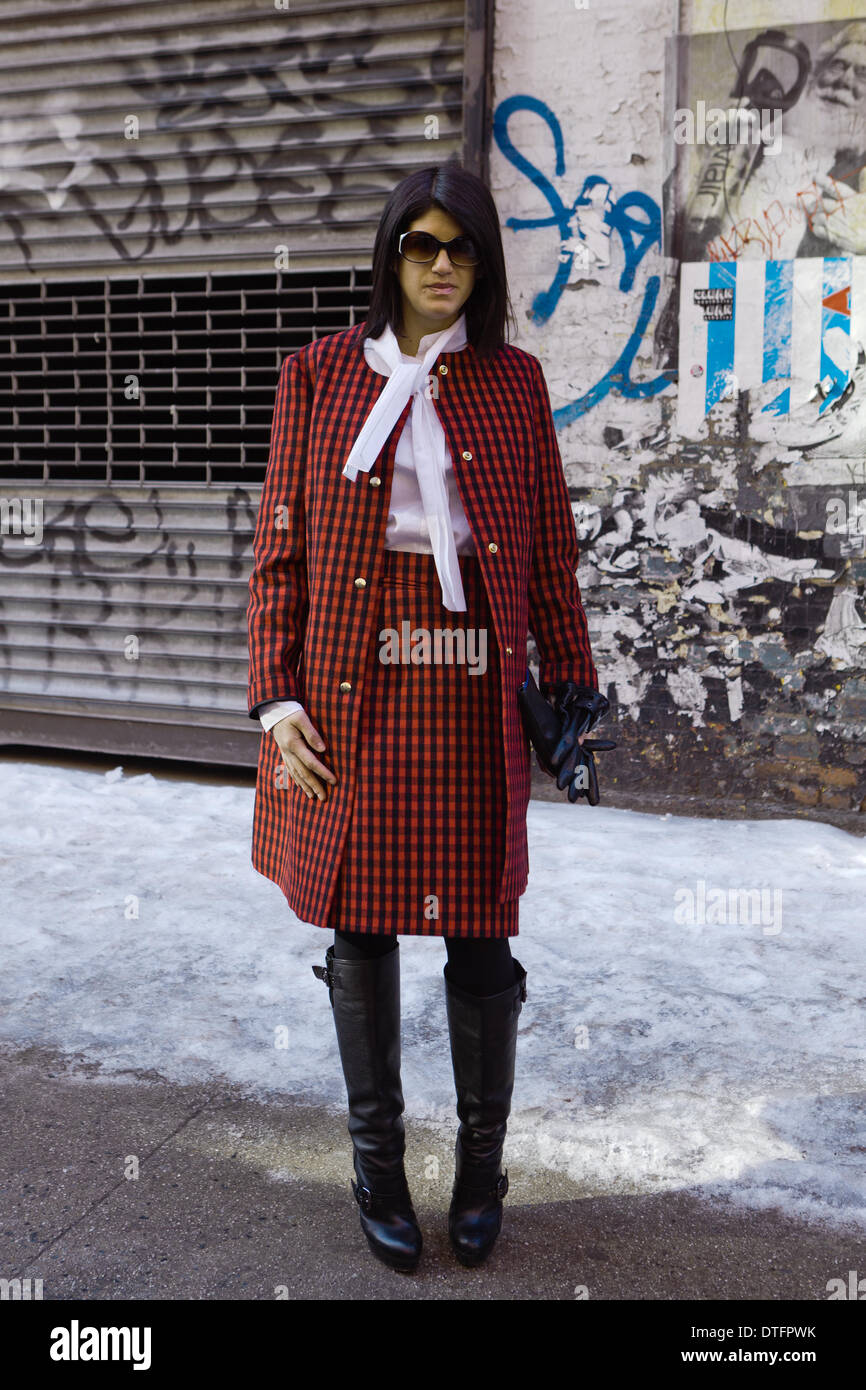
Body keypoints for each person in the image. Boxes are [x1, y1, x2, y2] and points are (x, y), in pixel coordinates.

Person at [246, 159, 604, 1274]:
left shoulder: (512, 383)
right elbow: (279, 553)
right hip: (352, 680)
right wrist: (275, 695)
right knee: (357, 920)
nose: (442, 264)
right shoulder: (315, 378)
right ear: (390, 256)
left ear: (483, 262)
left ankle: (481, 1169)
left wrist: (573, 689)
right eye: (421, 244)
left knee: (480, 926)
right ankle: (376, 1166)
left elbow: (548, 547)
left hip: (469, 678)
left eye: (461, 248)